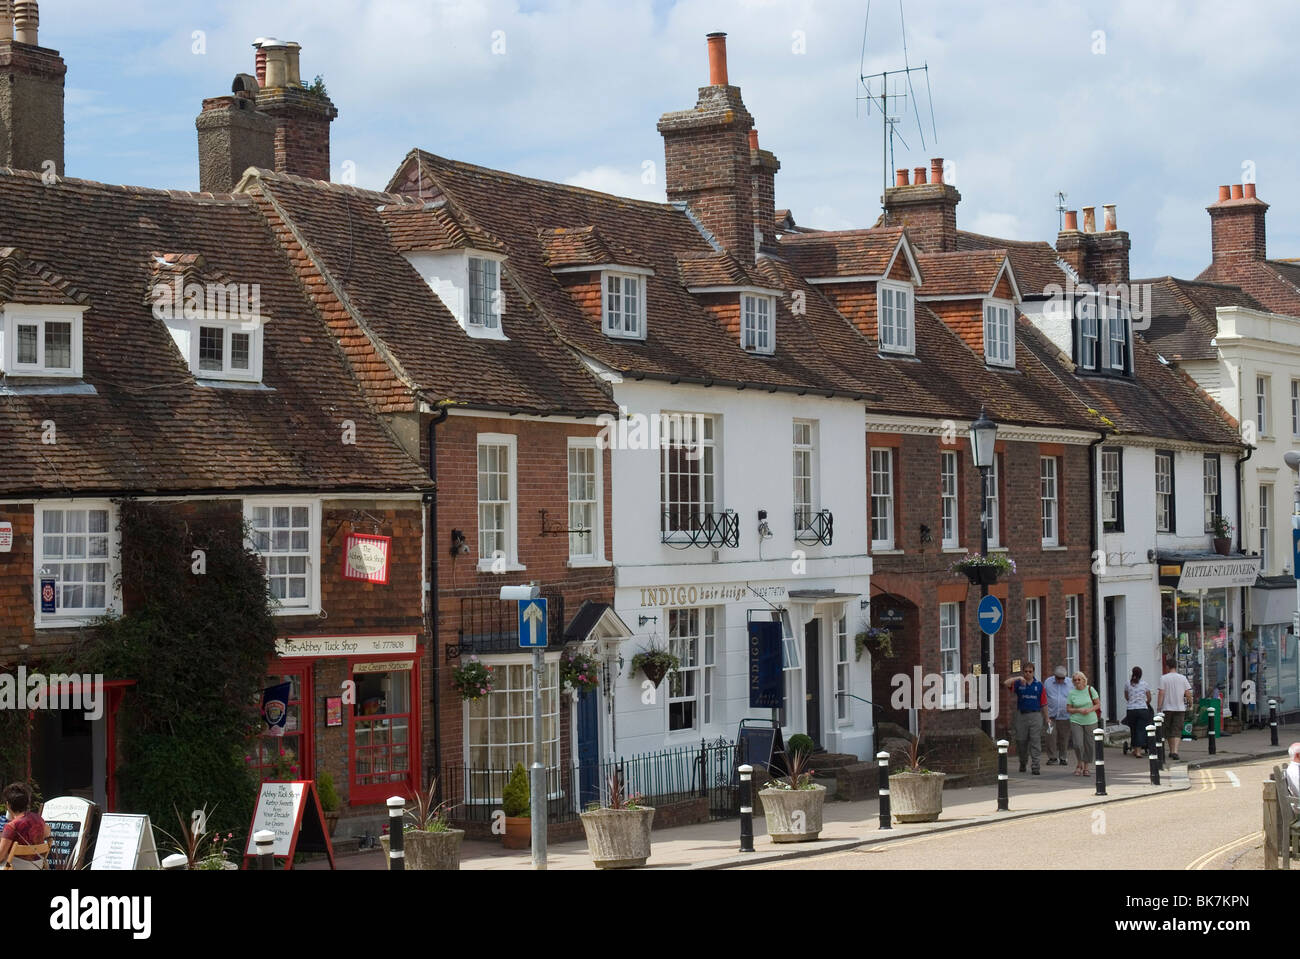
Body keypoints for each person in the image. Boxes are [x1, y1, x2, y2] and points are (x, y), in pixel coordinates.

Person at [1002, 662, 1047, 774]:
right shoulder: (1019, 683)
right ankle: (1023, 762)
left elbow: (1044, 703)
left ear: (1033, 672)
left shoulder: (1039, 685)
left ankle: (1035, 766)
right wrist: (1017, 677)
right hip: (1021, 715)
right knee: (1021, 741)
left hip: (1035, 715)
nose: (1028, 674)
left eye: (1030, 672)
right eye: (1026, 671)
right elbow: (1005, 683)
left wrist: (1047, 718)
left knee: (1035, 741)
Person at [0, 782, 50, 868]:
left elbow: (1, 856)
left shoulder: (11, 826)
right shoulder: (39, 820)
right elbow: (47, 834)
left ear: (8, 805)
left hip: (16, 867)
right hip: (37, 866)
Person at [1066, 671, 1102, 776]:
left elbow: (1098, 704)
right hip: (1076, 720)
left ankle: (1086, 766)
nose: (1077, 682)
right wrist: (1079, 710)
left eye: (1079, 679)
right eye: (1075, 680)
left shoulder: (1090, 690)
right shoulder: (1072, 693)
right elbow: (1068, 709)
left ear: (1084, 680)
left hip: (1091, 720)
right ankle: (1079, 763)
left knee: (1089, 744)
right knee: (1078, 744)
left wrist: (1090, 710)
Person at [1157, 661, 1193, 761]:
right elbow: (1188, 693)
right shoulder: (1182, 678)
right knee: (1177, 730)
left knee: (1168, 730)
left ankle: (1171, 750)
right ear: (1175, 667)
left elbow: (1161, 693)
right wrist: (1190, 703)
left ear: (1167, 666)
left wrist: (1159, 707)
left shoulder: (1163, 678)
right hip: (1180, 708)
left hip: (1167, 708)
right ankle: (1175, 751)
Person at [1043, 665, 1073, 766]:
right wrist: (1046, 715)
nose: (1060, 680)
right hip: (1051, 716)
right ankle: (1052, 758)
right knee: (1050, 736)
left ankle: (1063, 757)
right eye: (1058, 678)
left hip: (1065, 716)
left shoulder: (1070, 683)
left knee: (1064, 737)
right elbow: (1044, 698)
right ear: (1054, 676)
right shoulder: (1048, 682)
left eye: (1062, 678)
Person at [1123, 666, 1153, 758]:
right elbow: (1149, 698)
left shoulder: (1127, 684)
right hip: (1142, 710)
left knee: (1133, 729)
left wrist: (1132, 702)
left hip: (1131, 710)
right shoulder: (1145, 684)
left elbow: (1126, 697)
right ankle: (1138, 752)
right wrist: (1145, 703)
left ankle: (1135, 749)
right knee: (1140, 730)